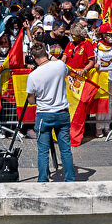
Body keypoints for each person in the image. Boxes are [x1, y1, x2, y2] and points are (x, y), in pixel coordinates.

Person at [24, 43, 74, 182]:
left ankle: (43, 180)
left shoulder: (33, 75)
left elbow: (32, 101)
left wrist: (34, 95)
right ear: (46, 53)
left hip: (44, 114)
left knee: (43, 151)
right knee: (65, 150)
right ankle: (70, 179)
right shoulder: (59, 66)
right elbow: (63, 67)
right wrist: (50, 55)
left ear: (33, 57)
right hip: (62, 112)